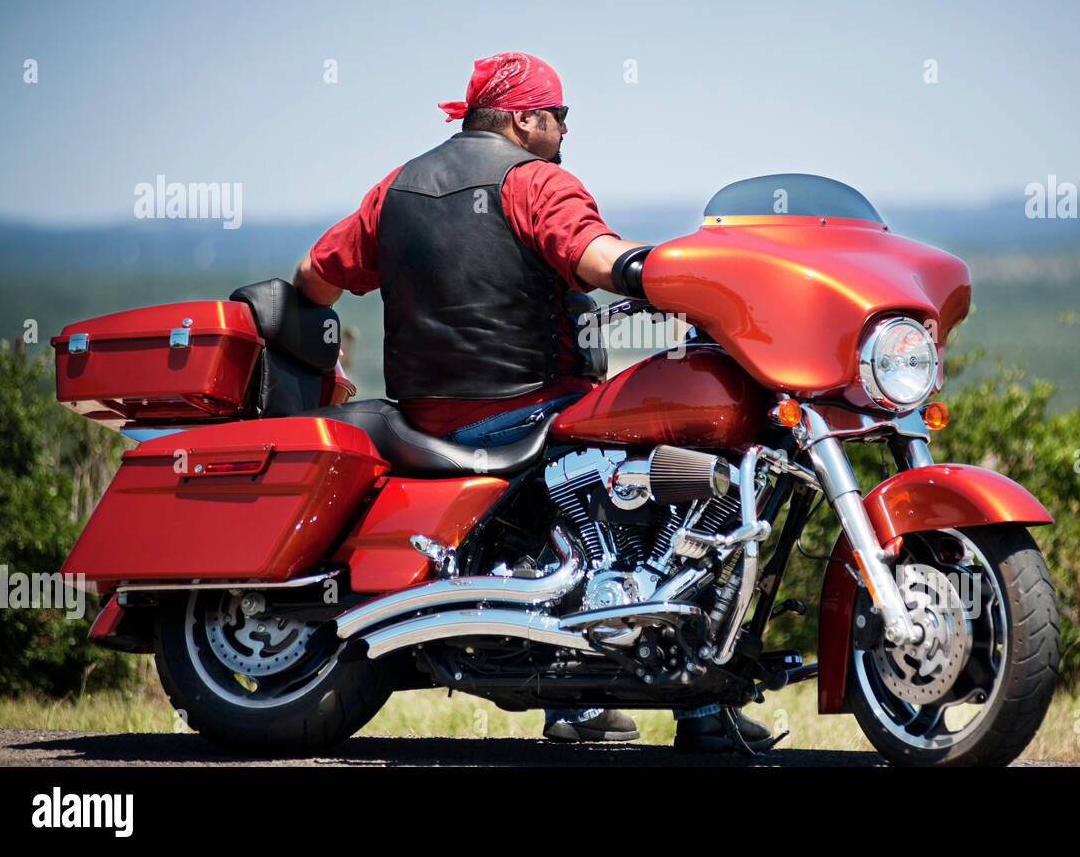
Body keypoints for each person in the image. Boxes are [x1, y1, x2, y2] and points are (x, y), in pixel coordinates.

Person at [292, 51, 769, 753]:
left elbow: (314, 274)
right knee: (692, 482)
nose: (566, 132)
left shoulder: (393, 189)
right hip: (530, 405)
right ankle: (701, 706)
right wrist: (685, 275)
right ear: (524, 118)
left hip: (428, 421)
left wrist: (318, 350)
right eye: (560, 118)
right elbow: (597, 258)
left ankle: (581, 703)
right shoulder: (533, 182)